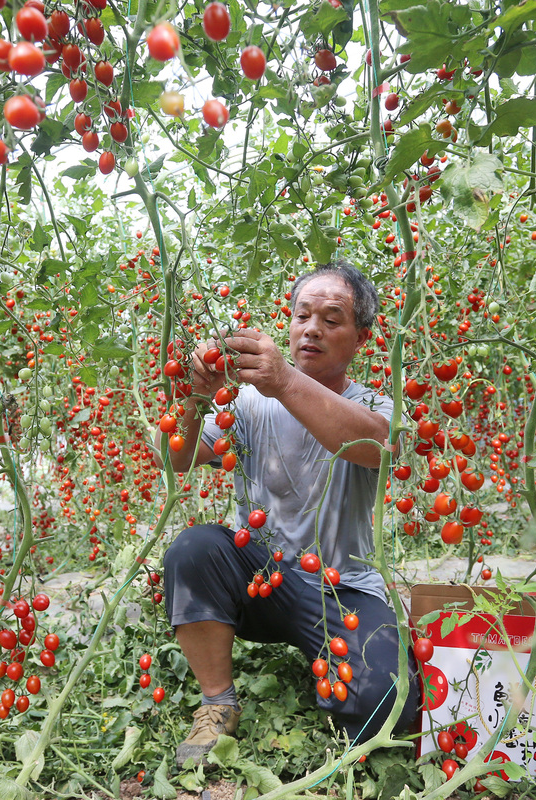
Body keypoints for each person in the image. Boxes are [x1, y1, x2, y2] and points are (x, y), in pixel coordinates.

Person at [153, 260, 420, 768]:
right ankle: (217, 702)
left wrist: (284, 381)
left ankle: (336, 662)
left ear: (361, 338)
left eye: (332, 319)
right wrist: (192, 397)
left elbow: (375, 446)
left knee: (387, 705)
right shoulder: (248, 402)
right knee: (193, 550)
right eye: (302, 316)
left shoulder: (376, 406)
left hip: (345, 589)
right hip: (263, 578)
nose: (312, 329)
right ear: (290, 323)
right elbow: (178, 457)